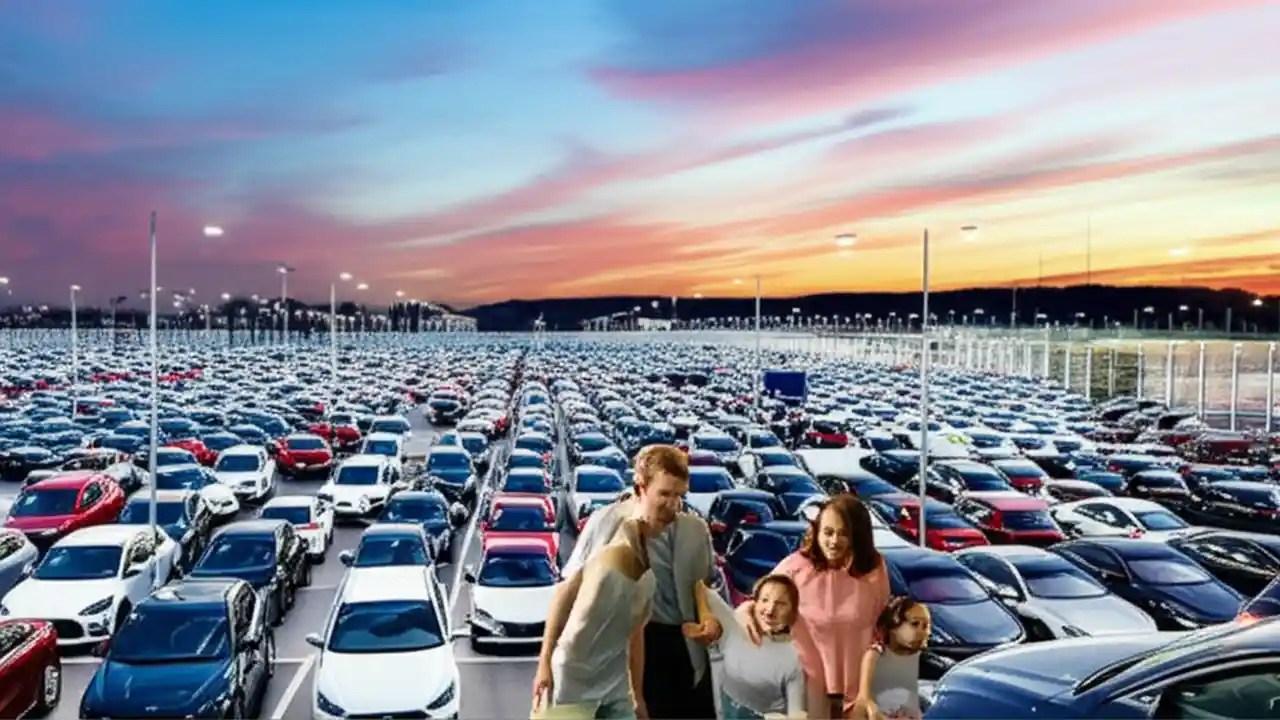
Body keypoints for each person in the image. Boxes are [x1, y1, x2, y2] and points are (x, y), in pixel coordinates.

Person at [535, 444, 721, 719]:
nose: (672, 505)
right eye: (664, 494)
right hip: (631, 649)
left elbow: (703, 586)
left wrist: (710, 618)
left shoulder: (696, 530)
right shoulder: (605, 523)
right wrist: (545, 662)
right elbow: (567, 592)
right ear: (640, 488)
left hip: (685, 648)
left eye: (679, 496)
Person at [737, 494, 890, 719]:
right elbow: (760, 601)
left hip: (859, 693)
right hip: (808, 688)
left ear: (858, 536)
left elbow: (881, 629)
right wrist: (744, 612)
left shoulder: (874, 570)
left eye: (843, 534)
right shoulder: (795, 567)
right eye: (828, 532)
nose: (834, 541)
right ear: (817, 532)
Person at [532, 517, 656, 719]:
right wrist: (544, 664)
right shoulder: (596, 564)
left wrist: (638, 696)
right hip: (573, 682)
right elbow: (561, 604)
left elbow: (635, 636)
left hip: (615, 686)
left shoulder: (646, 579)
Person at [683, 574, 805, 719]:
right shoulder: (733, 627)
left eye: (781, 604)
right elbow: (700, 588)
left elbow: (797, 714)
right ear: (755, 603)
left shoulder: (793, 659)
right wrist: (706, 617)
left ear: (793, 613)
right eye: (765, 600)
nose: (770, 610)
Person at [856, 597, 930, 720]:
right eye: (914, 624)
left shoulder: (916, 658)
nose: (921, 632)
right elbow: (863, 699)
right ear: (894, 625)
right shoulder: (875, 655)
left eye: (925, 627)